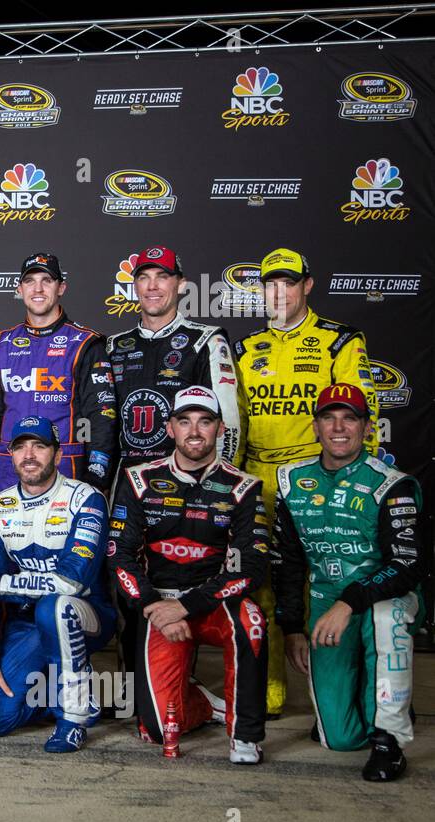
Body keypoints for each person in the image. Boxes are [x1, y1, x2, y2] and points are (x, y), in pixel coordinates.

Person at [235, 248, 378, 719]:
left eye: (288, 283)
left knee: (326, 582)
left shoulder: (338, 341)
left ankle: (335, 696)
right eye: (270, 284)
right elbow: (233, 422)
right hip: (257, 478)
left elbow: (362, 416)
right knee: (261, 586)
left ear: (307, 286)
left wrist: (356, 483)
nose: (279, 293)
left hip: (315, 478)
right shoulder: (246, 348)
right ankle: (271, 693)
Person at [107, 386, 270, 764]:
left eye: (204, 421)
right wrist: (153, 605)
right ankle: (202, 702)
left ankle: (244, 734)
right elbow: (120, 557)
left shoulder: (243, 487)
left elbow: (252, 569)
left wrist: (186, 606)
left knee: (252, 620)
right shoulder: (138, 481)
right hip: (158, 605)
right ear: (170, 428)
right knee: (159, 730)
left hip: (213, 602)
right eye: (185, 421)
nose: (194, 431)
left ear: (220, 429)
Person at [272, 384, 423, 781]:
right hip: (326, 601)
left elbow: (408, 565)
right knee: (338, 738)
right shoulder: (291, 481)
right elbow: (288, 562)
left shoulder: (393, 484)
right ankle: (377, 702)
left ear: (366, 427)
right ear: (316, 426)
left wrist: (349, 602)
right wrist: (291, 627)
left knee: (385, 617)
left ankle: (389, 739)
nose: (339, 427)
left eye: (350, 417)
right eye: (329, 417)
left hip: (385, 596)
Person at [0, 417, 115, 752]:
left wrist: (1, 585)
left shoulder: (86, 499)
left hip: (87, 614)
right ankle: (61, 689)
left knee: (56, 606)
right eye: (20, 447)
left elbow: (71, 582)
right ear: (11, 456)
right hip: (27, 622)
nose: (29, 454)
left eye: (39, 446)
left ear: (58, 455)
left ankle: (72, 719)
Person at [0, 253, 117, 494]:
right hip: (8, 469)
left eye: (46, 280)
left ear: (61, 287)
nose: (38, 288)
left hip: (67, 468)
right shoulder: (1, 343)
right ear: (19, 289)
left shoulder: (85, 343)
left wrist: (98, 475)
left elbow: (99, 416)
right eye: (30, 281)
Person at [105, 246, 245, 469]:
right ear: (135, 286)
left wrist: (220, 477)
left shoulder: (206, 340)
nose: (152, 286)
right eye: (144, 278)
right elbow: (103, 422)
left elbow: (228, 422)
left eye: (162, 277)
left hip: (184, 477)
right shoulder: (113, 346)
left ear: (180, 284)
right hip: (127, 481)